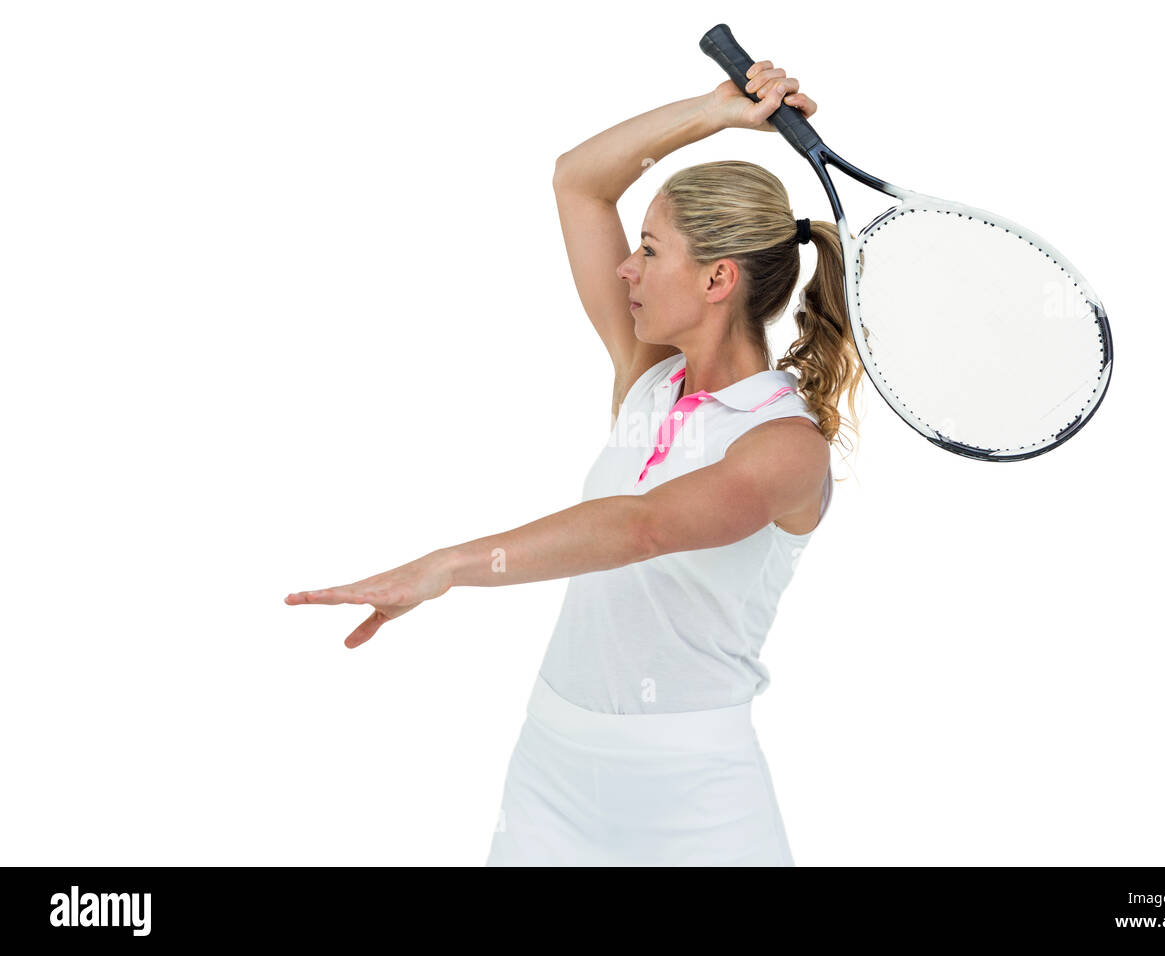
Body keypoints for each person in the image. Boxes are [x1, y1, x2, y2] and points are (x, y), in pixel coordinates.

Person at [285, 59, 864, 865]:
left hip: (694, 795)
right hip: (552, 768)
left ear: (717, 279)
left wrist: (448, 567)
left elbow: (643, 528)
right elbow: (578, 183)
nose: (627, 266)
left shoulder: (784, 446)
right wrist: (714, 111)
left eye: (651, 251)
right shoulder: (648, 376)